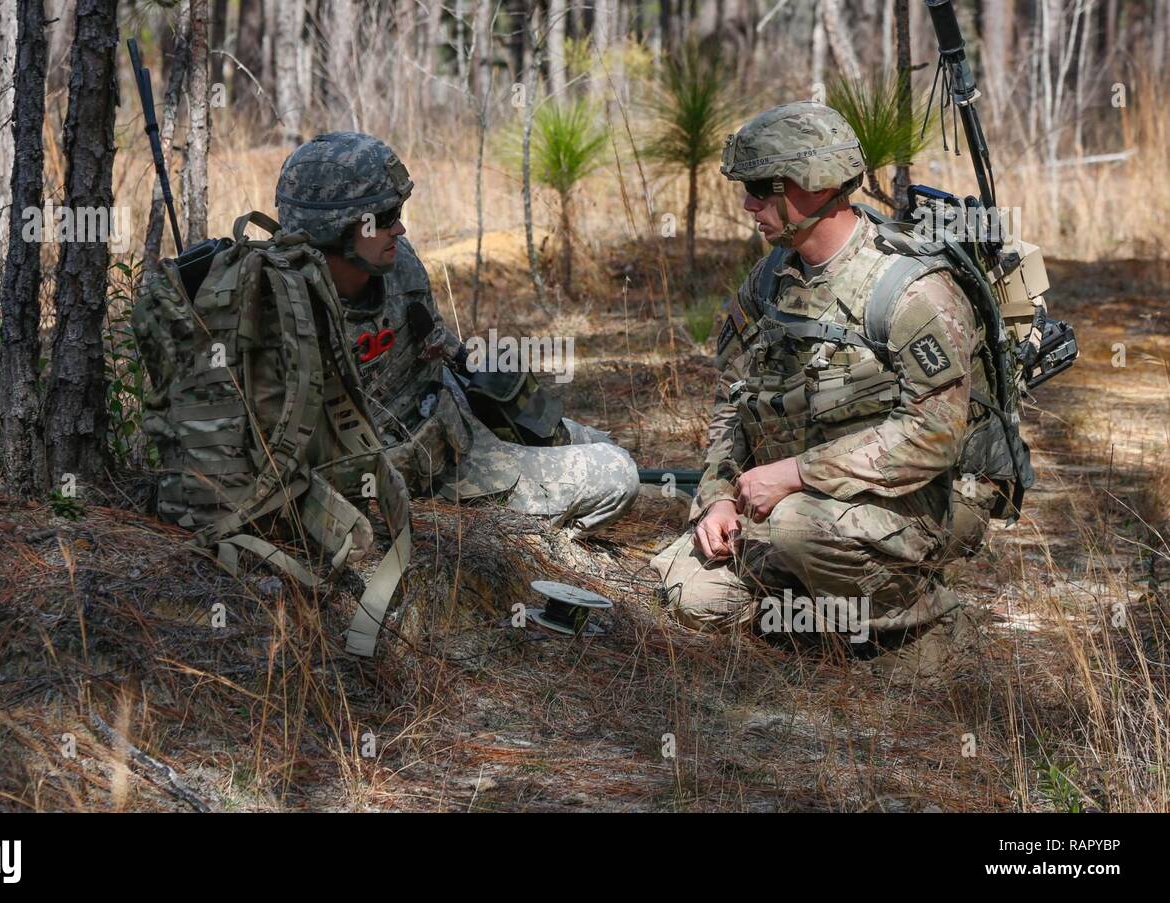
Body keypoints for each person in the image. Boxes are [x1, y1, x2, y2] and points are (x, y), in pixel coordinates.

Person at [651, 101, 1001, 662]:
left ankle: (928, 626)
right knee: (693, 596)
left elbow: (936, 435)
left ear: (814, 187)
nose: (749, 204)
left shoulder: (910, 292)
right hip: (802, 500)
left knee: (796, 528)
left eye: (764, 188)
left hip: (917, 502)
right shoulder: (770, 280)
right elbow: (733, 402)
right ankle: (825, 610)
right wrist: (717, 500)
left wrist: (794, 474)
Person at [273, 131, 638, 537]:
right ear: (335, 229)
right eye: (388, 216)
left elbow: (437, 343)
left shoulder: (398, 265)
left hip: (454, 421)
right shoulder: (286, 318)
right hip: (435, 472)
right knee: (618, 474)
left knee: (598, 440)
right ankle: (546, 546)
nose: (401, 229)